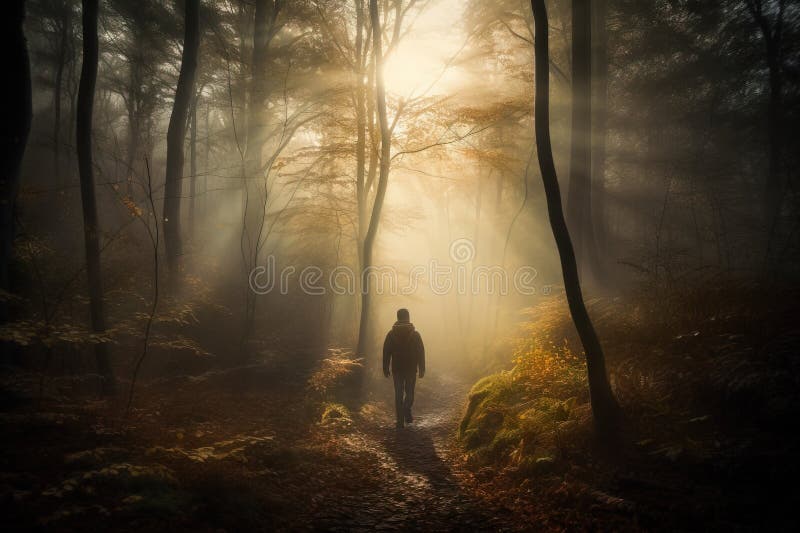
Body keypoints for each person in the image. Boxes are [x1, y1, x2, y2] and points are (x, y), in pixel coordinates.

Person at [383, 308, 425, 428]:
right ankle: (407, 409)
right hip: (411, 368)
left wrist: (385, 367)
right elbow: (421, 352)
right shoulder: (415, 334)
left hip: (397, 369)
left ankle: (400, 421)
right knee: (410, 393)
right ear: (408, 317)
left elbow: (386, 352)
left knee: (398, 394)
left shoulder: (391, 334)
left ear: (398, 317)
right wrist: (422, 368)